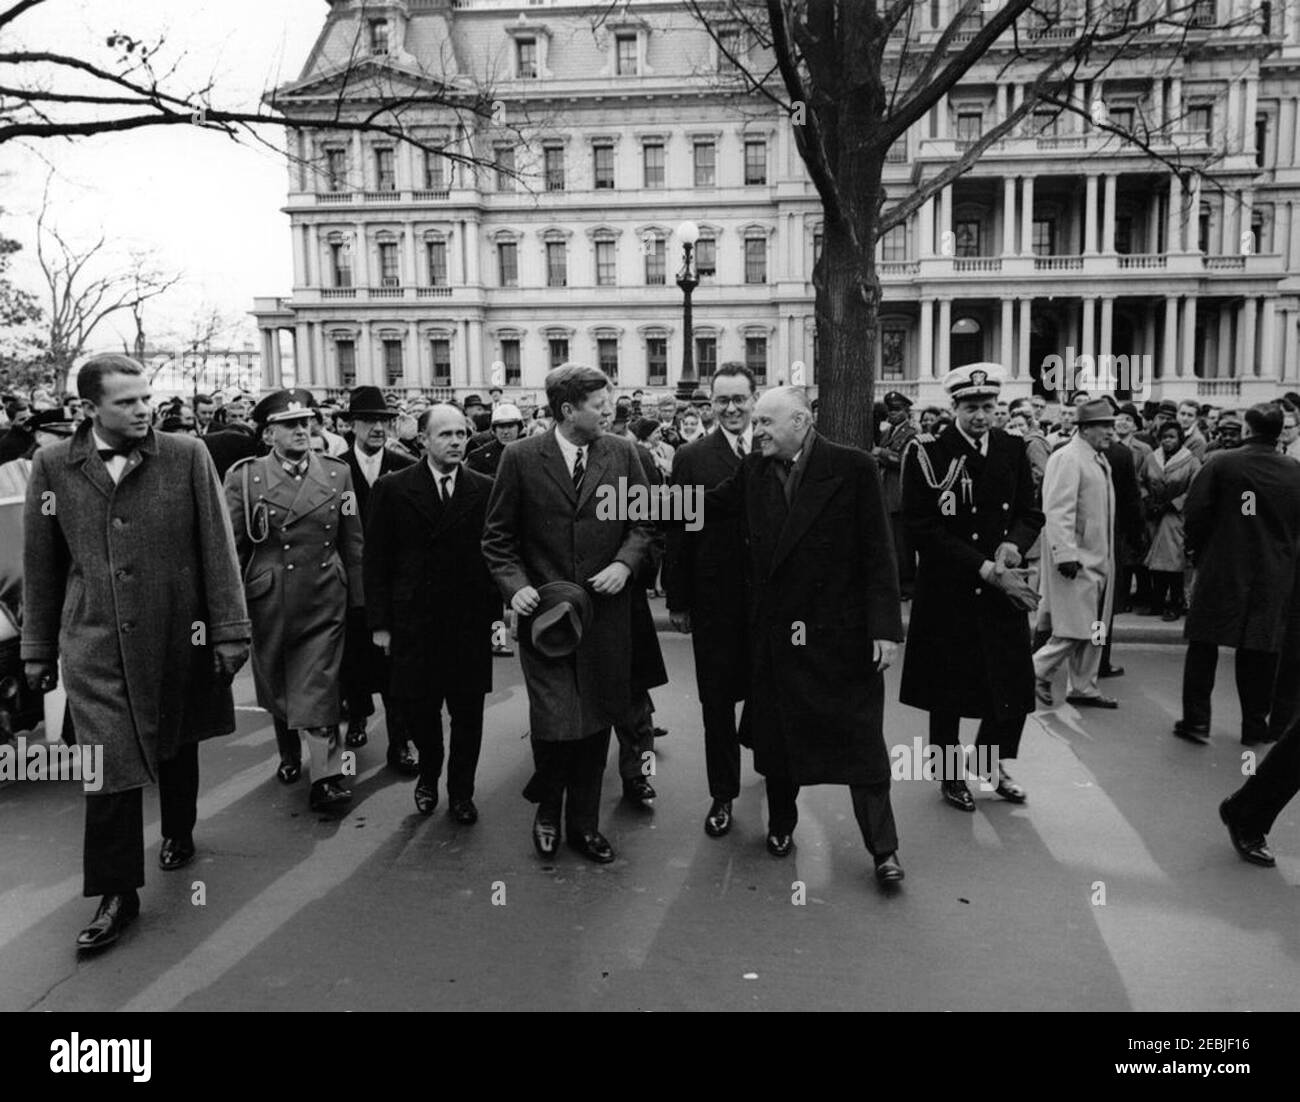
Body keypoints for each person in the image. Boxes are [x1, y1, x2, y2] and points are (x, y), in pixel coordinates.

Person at [22, 354, 250, 953]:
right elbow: (41, 565)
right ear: (89, 409)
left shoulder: (186, 455)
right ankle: (116, 892)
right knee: (108, 766)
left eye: (146, 397)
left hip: (179, 632)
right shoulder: (52, 466)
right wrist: (38, 649)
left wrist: (229, 629)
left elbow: (218, 548)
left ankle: (179, 828)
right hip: (94, 640)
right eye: (127, 402)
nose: (144, 409)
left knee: (174, 739)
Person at [702, 386, 906, 886]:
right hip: (778, 638)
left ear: (799, 422)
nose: (758, 432)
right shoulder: (753, 471)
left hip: (841, 637)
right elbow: (706, 507)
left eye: (766, 423)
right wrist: (627, 500)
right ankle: (781, 826)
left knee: (863, 751)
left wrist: (885, 629)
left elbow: (879, 552)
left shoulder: (853, 468)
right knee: (780, 744)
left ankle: (884, 850)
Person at [482, 364, 654, 864]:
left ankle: (583, 824)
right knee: (555, 720)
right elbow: (497, 539)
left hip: (605, 616)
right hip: (547, 621)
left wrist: (625, 564)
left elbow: (644, 522)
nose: (610, 410)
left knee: (598, 719)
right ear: (567, 411)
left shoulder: (623, 453)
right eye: (600, 404)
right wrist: (516, 589)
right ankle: (546, 813)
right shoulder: (519, 458)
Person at [901, 363, 1043, 812]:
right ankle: (949, 774)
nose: (981, 416)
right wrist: (981, 565)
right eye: (971, 407)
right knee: (948, 689)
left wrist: (1013, 545)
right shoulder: (929, 452)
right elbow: (922, 528)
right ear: (954, 407)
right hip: (950, 588)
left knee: (1009, 681)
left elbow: (1029, 513)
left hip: (1000, 586)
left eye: (988, 406)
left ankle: (991, 764)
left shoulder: (1012, 447)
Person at [225, 389, 364, 812]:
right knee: (279, 682)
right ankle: (288, 751)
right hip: (269, 597)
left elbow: (352, 540)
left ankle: (328, 777)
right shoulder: (245, 477)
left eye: (306, 422)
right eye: (291, 425)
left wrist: (360, 602)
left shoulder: (338, 474)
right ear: (269, 434)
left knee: (321, 685)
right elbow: (231, 549)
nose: (303, 430)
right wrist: (229, 612)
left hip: (324, 593)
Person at [365, 404, 499, 820]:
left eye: (462, 434)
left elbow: (495, 557)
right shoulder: (393, 488)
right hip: (414, 624)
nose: (457, 442)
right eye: (446, 435)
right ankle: (429, 771)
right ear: (422, 439)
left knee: (468, 715)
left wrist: (496, 618)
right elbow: (376, 561)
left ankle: (461, 792)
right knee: (419, 711)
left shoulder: (484, 488)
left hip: (467, 622)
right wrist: (381, 625)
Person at [1174, 404, 1300, 746]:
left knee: (1203, 645)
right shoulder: (1294, 470)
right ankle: (1254, 726)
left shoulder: (1222, 463)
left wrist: (1198, 552)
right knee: (1258, 651)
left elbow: (1195, 512)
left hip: (1223, 565)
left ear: (1246, 429)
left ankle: (1197, 721)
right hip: (1273, 571)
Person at [666, 363, 755, 838]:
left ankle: (776, 780)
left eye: (740, 399)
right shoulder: (692, 456)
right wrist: (678, 599)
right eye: (722, 400)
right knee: (716, 704)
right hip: (715, 600)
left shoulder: (776, 447)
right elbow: (678, 530)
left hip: (768, 604)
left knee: (769, 697)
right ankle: (723, 794)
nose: (732, 408)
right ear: (711, 404)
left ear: (754, 400)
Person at [337, 386, 417, 769]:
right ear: (352, 425)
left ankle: (399, 742)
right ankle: (356, 717)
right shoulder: (334, 469)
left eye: (383, 421)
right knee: (353, 658)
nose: (377, 428)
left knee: (396, 667)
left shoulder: (405, 465)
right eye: (368, 421)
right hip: (350, 584)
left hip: (395, 584)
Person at [1033, 398, 1118, 709]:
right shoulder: (1068, 458)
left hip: (1098, 557)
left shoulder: (1095, 458)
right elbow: (1057, 509)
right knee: (1076, 627)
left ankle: (1084, 686)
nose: (1111, 431)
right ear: (1086, 428)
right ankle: (1035, 670)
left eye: (1111, 424)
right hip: (1076, 559)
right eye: (1105, 426)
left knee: (1096, 628)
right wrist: (1064, 553)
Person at [1099, 397, 1145, 676]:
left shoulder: (1063, 449)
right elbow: (1130, 501)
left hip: (1076, 543)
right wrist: (1136, 536)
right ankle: (1098, 659)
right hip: (1107, 540)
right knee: (1102, 610)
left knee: (1064, 608)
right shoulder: (1119, 454)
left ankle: (1041, 659)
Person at [1140, 421, 1199, 621]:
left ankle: (1175, 602)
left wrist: (1173, 504)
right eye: (1164, 437)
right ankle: (1157, 601)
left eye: (1172, 437)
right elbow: (1140, 481)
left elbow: (1195, 489)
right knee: (1154, 561)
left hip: (1175, 516)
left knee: (1173, 561)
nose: (1167, 441)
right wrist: (1147, 499)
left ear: (1180, 439)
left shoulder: (1190, 461)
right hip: (1153, 515)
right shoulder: (1151, 458)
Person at [872, 390, 918, 600]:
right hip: (885, 492)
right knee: (889, 543)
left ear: (907, 411)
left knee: (902, 545)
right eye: (890, 410)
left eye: (897, 410)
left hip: (899, 494)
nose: (892, 414)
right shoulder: (887, 432)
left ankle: (907, 586)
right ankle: (895, 583)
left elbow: (905, 460)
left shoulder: (912, 433)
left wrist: (881, 454)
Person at [467, 402, 523, 477]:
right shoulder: (479, 457)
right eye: (501, 427)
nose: (505, 432)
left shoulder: (530, 453)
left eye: (510, 426)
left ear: (519, 428)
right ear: (494, 430)